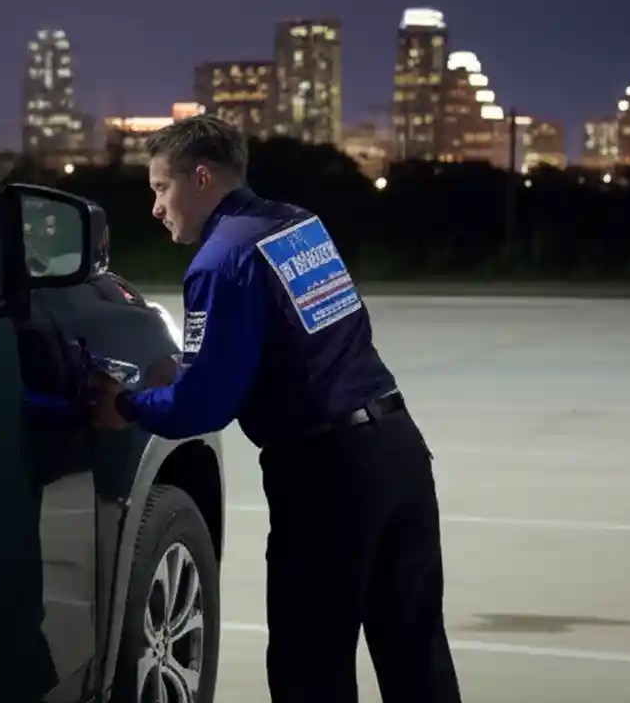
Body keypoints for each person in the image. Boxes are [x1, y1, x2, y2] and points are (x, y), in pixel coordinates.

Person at [88, 115, 463, 703]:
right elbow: (295, 346)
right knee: (415, 653)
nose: (156, 207)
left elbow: (204, 407)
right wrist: (191, 377)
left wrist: (130, 405)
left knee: (309, 663)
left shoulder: (218, 260)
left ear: (202, 177)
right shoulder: (297, 226)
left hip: (327, 476)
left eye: (161, 188)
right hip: (397, 450)